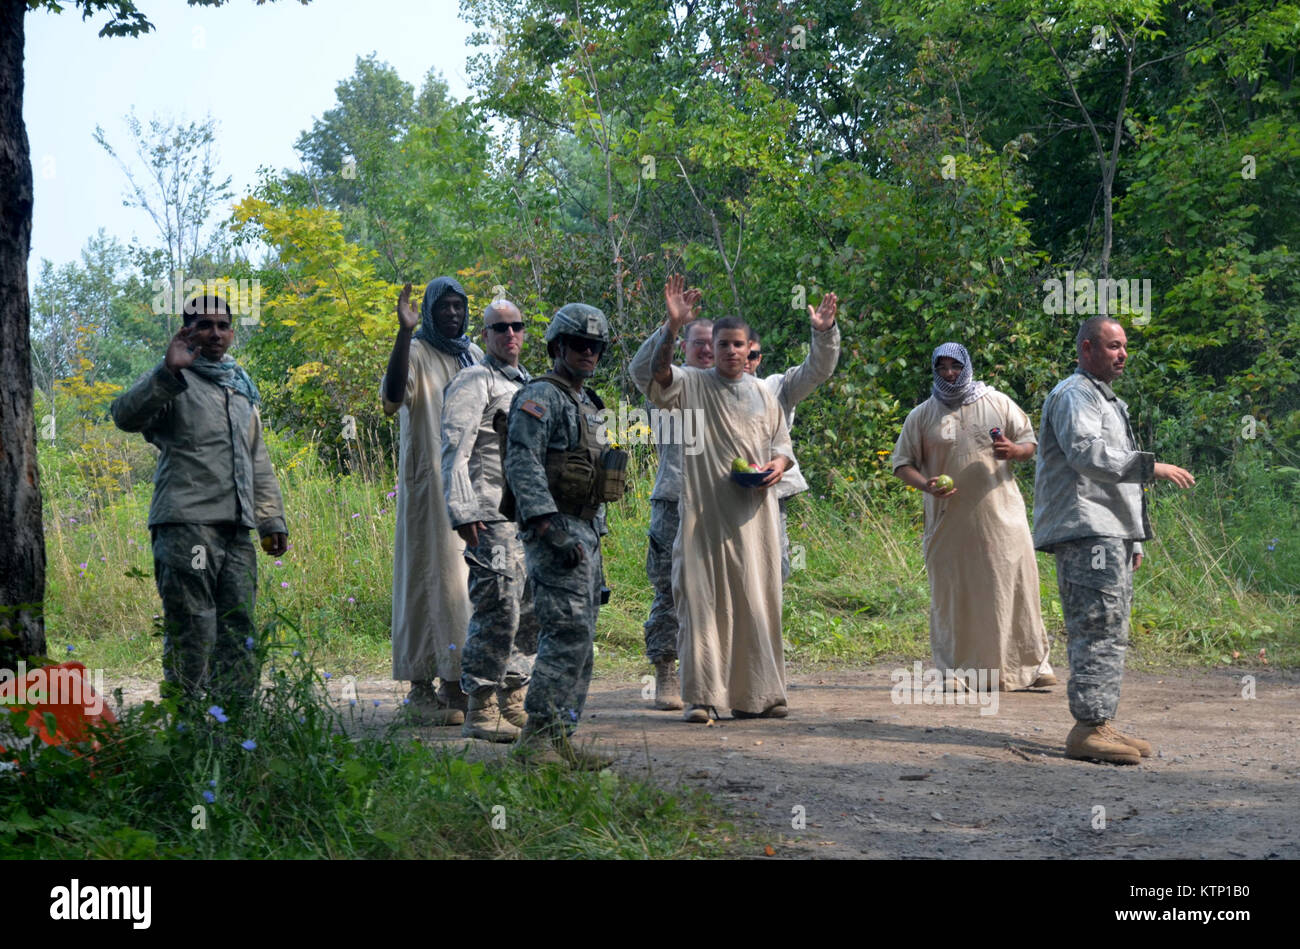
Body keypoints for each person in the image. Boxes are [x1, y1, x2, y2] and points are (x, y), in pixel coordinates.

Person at [111, 291, 287, 710]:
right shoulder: (175, 381)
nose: (215, 334)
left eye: (223, 326)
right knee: (193, 625)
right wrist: (167, 372)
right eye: (204, 325)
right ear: (186, 330)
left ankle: (235, 728)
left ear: (232, 334)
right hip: (187, 525)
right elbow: (124, 415)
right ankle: (188, 727)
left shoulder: (241, 388)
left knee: (238, 625)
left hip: (237, 531)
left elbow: (256, 458)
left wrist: (271, 519)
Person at [1034, 316, 1195, 764]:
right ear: (1087, 349)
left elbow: (1115, 480)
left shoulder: (1104, 399)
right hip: (1087, 530)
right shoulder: (1074, 395)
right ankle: (1087, 729)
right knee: (1097, 626)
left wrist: (1133, 541)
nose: (1122, 354)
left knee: (1110, 626)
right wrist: (1152, 466)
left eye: (1124, 346)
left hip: (1108, 532)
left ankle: (1100, 721)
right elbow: (1087, 454)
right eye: (1112, 345)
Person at [647, 275, 794, 723]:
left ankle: (760, 695)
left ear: (750, 349)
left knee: (757, 601)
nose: (730, 352)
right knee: (700, 602)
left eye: (738, 345)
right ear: (712, 345)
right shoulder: (692, 384)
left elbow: (782, 446)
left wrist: (777, 467)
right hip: (702, 517)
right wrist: (671, 328)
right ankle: (702, 698)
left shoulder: (764, 394)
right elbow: (655, 375)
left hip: (755, 517)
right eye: (723, 344)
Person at [890, 342, 1055, 693]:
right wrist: (926, 485)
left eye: (954, 366)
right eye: (942, 368)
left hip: (1002, 519)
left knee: (1013, 589)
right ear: (934, 371)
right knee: (955, 595)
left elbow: (1030, 444)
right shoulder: (922, 415)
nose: (949, 374)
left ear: (966, 366)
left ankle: (1029, 665)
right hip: (948, 523)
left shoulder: (997, 402)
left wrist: (1014, 451)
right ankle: (957, 671)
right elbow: (902, 465)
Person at [504, 303, 626, 768]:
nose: (589, 353)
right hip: (556, 528)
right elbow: (522, 462)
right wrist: (546, 525)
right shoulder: (540, 397)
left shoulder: (589, 402)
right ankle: (536, 738)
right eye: (579, 344)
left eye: (595, 346)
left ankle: (560, 735)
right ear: (557, 347)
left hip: (586, 527)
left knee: (583, 635)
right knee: (565, 632)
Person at [382, 277, 482, 725]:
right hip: (430, 491)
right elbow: (390, 400)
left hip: (474, 490)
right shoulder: (418, 352)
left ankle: (457, 685)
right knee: (429, 581)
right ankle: (423, 688)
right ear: (428, 310)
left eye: (459, 306)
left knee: (467, 587)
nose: (452, 314)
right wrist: (404, 332)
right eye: (443, 307)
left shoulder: (473, 355)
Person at [440, 299, 538, 742]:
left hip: (528, 514)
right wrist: (461, 509)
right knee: (497, 606)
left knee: (527, 608)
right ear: (485, 335)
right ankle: (480, 705)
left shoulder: (529, 383)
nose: (510, 334)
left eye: (516, 326)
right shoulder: (473, 380)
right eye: (500, 328)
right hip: (488, 510)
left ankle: (513, 698)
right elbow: (454, 448)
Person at [627, 315, 714, 710]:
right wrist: (669, 326)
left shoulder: (729, 387)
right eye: (698, 342)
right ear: (683, 347)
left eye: (714, 342)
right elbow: (639, 369)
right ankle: (666, 671)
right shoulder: (668, 382)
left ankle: (713, 673)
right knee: (669, 589)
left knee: (718, 591)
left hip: (719, 502)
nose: (707, 349)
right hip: (673, 499)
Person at [745, 294, 840, 581]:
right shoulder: (709, 390)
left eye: (753, 355)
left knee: (775, 570)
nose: (747, 360)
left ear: (760, 358)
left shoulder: (778, 387)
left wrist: (823, 333)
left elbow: (817, 370)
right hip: (725, 494)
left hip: (770, 493)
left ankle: (766, 624)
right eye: (739, 351)